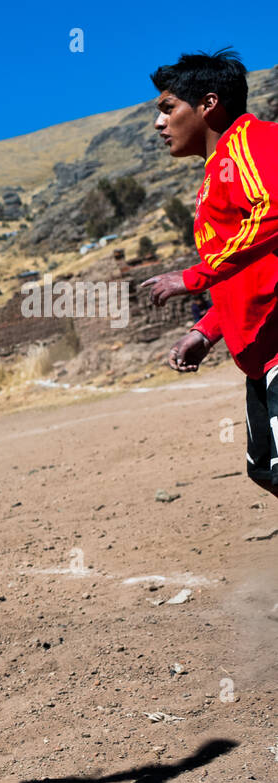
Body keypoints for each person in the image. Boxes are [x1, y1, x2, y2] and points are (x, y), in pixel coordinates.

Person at [146, 50, 278, 499]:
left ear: (208, 104)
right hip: (259, 355)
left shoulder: (252, 141)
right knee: (267, 472)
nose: (158, 124)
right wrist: (206, 332)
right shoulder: (217, 171)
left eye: (167, 109)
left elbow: (274, 210)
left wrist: (195, 276)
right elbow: (253, 266)